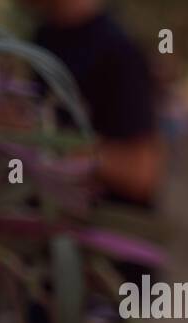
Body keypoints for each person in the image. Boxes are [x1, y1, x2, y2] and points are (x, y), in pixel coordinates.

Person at [30, 0, 161, 207]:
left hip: (100, 223)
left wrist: (51, 145)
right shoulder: (41, 38)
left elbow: (141, 174)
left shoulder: (121, 53)